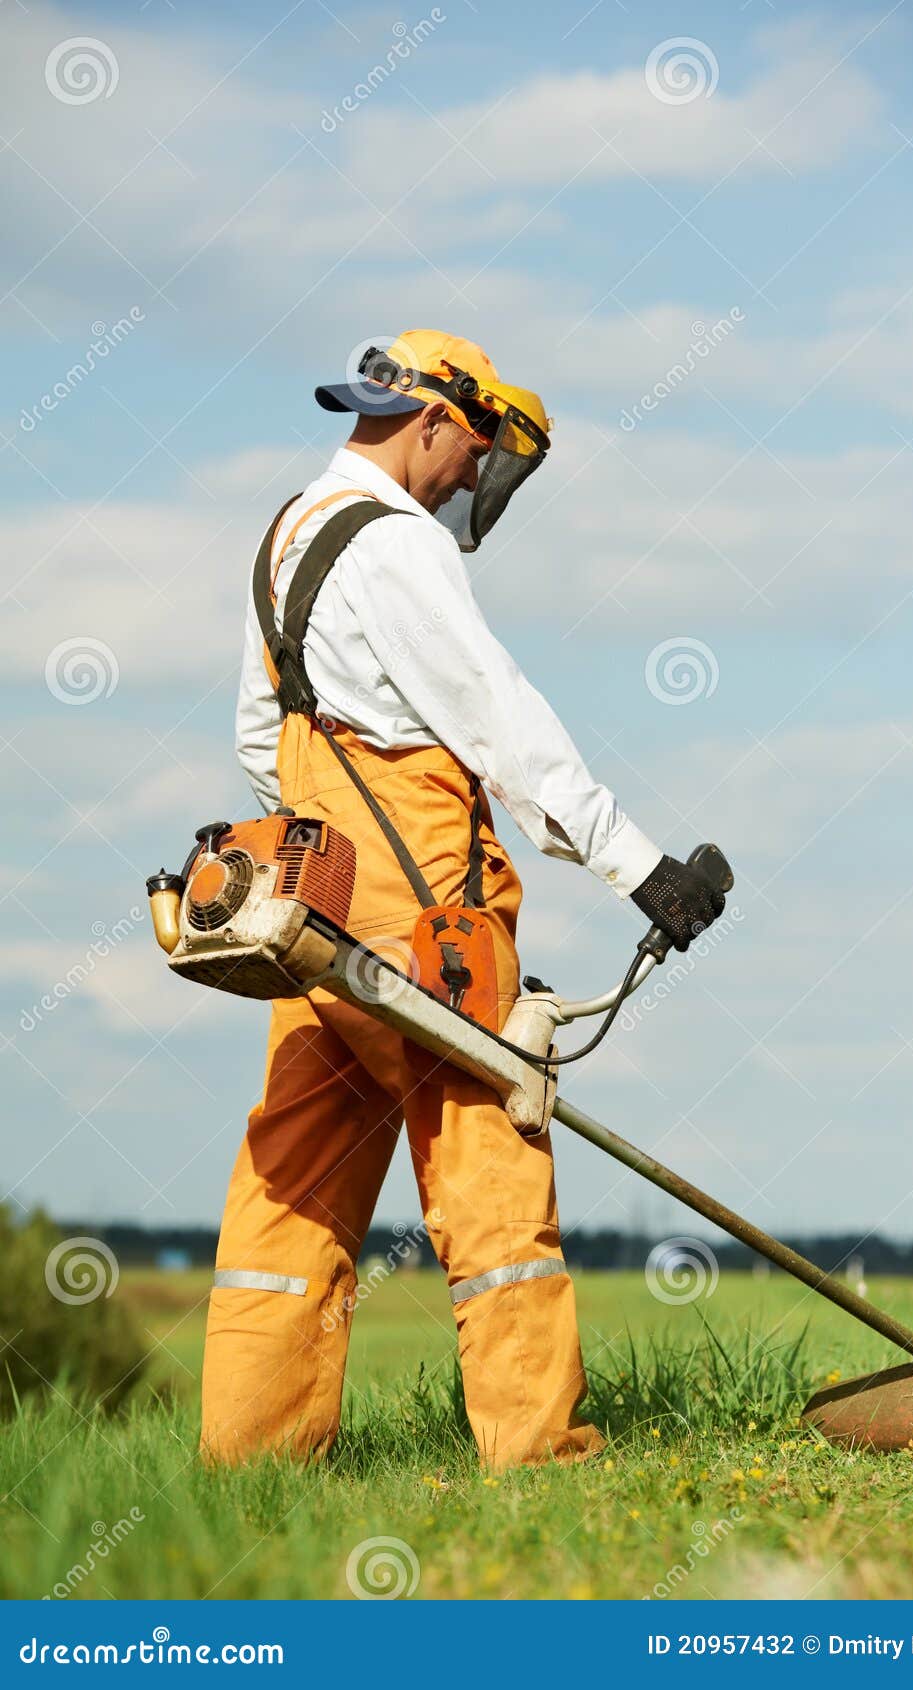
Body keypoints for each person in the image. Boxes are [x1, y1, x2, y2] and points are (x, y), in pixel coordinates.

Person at [200, 330, 724, 1471]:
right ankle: (532, 1455)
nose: (469, 476)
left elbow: (258, 739)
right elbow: (501, 721)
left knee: (295, 1180)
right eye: (473, 450)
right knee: (490, 1161)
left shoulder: (286, 534)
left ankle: (250, 1463)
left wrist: (329, 846)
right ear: (432, 419)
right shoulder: (398, 545)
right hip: (427, 913)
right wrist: (640, 867)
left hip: (312, 900)